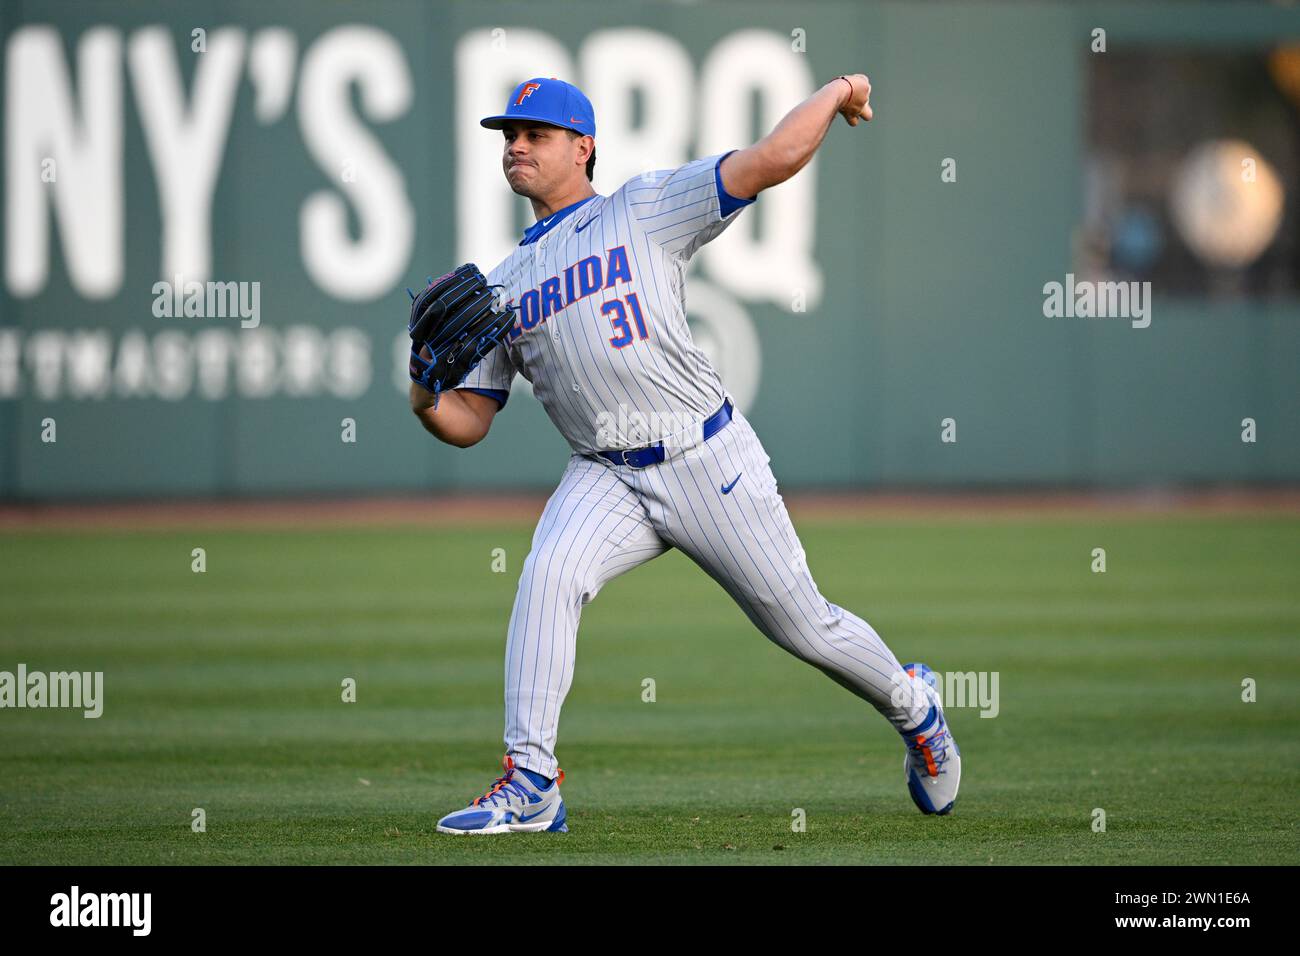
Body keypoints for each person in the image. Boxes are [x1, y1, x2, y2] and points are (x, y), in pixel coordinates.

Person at [410, 74, 960, 835]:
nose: (516, 147)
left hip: (705, 456)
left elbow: (769, 159)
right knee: (548, 576)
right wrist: (421, 390)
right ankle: (532, 782)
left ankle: (916, 708)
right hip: (602, 471)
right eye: (510, 136)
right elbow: (469, 420)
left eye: (535, 134)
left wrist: (835, 94)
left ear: (583, 146)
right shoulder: (500, 285)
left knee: (805, 628)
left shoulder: (641, 208)